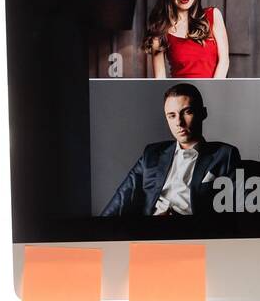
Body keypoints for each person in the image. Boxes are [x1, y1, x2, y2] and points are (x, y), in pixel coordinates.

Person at [101, 83, 241, 216]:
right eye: (172, 116)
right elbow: (121, 199)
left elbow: (238, 208)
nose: (179, 122)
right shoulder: (152, 153)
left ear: (203, 113)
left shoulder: (225, 155)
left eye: (187, 112)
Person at [144, 0, 230, 79]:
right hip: (179, 95)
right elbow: (160, 79)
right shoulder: (160, 30)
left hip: (213, 92)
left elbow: (224, 61)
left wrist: (213, 94)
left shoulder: (213, 15)